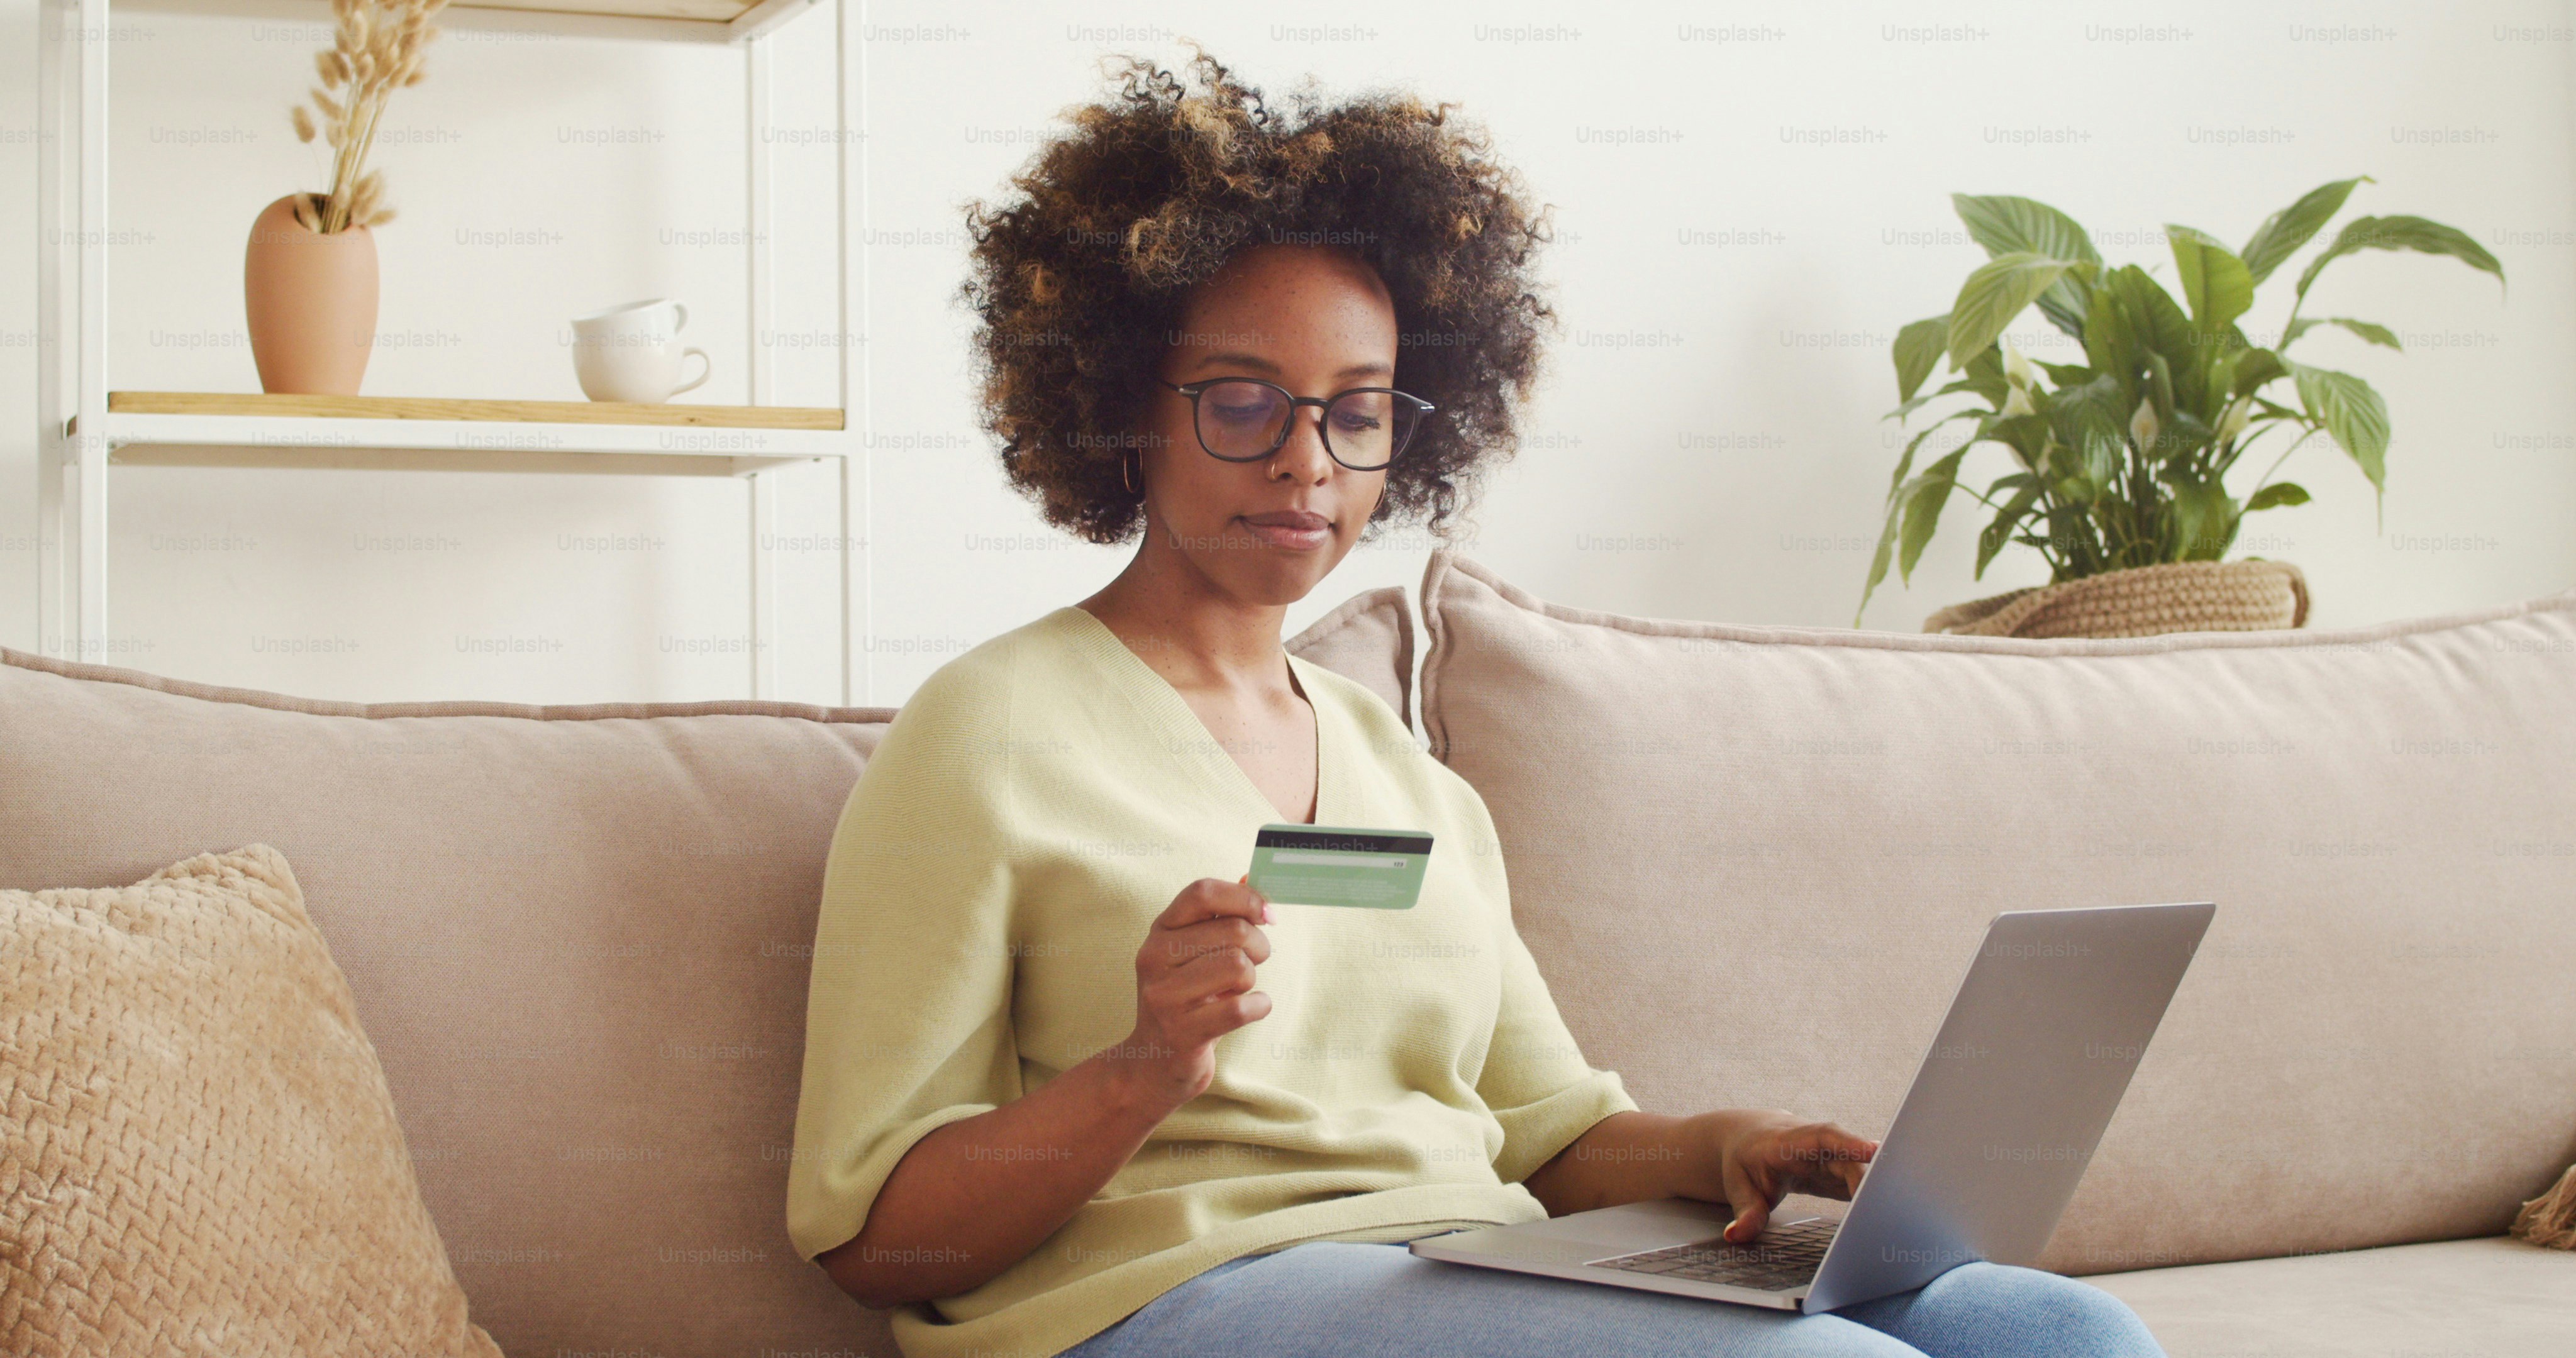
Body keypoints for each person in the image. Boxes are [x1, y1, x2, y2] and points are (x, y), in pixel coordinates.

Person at [785, 47, 2168, 1358]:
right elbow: (874, 1239)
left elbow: (1541, 1131)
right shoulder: (986, 732)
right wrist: (1141, 1068)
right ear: (1119, 404)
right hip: (1169, 1300)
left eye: (1357, 410)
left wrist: (1719, 1145)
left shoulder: (1404, 772)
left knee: (2060, 1335)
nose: (1305, 463)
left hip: (1457, 1267)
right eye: (1242, 404)